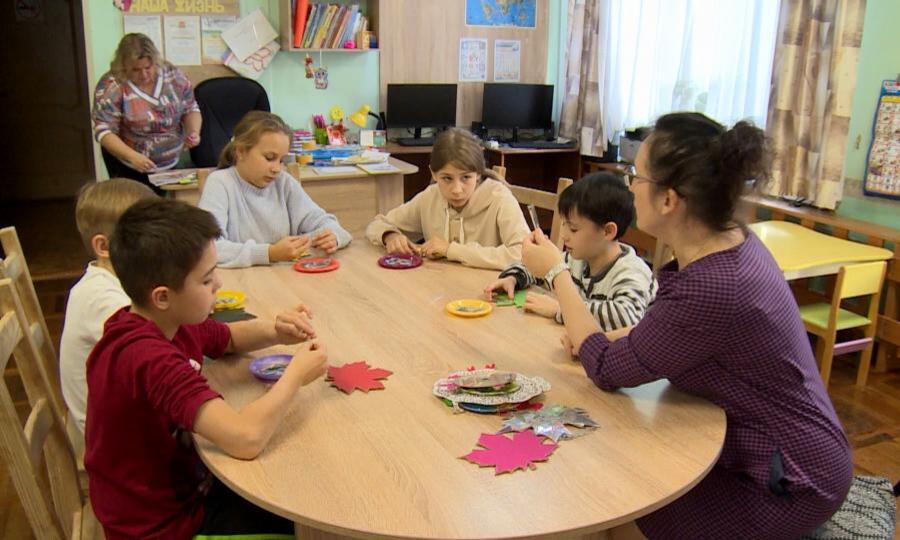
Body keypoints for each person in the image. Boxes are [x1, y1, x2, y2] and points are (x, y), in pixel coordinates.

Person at [520, 112, 852, 539]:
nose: (628, 188)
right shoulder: (732, 245)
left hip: (789, 480)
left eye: (634, 177)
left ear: (668, 200)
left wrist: (556, 273)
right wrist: (612, 337)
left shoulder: (715, 286)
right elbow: (673, 334)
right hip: (783, 452)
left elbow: (604, 368)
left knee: (615, 511)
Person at [84, 198, 326, 539]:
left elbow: (224, 338)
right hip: (164, 527)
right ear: (163, 296)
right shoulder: (148, 357)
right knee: (305, 517)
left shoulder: (160, 320)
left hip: (183, 492)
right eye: (207, 279)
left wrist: (275, 330)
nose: (219, 285)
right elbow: (246, 438)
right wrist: (296, 375)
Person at [484, 172, 656, 328]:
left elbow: (625, 318)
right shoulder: (577, 259)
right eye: (564, 224)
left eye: (573, 229)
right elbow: (541, 270)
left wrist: (561, 310)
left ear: (608, 231)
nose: (564, 235)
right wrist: (513, 278)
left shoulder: (632, 272)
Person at [60, 179, 157, 434]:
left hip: (109, 418)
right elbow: (156, 360)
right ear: (103, 247)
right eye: (149, 236)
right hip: (109, 437)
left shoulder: (111, 281)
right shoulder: (105, 300)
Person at [199, 111, 351, 268]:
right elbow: (207, 247)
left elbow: (329, 224)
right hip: (241, 283)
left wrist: (333, 237)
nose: (277, 169)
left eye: (282, 160)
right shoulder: (220, 183)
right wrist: (269, 253)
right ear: (241, 151)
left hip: (284, 281)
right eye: (270, 158)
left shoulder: (284, 182)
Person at [365, 128, 529, 270]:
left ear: (478, 173)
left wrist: (451, 250)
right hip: (442, 290)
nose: (457, 190)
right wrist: (390, 236)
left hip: (488, 296)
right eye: (447, 179)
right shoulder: (430, 196)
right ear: (433, 174)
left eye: (466, 178)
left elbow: (524, 255)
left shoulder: (500, 199)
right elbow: (376, 225)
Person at [92, 33, 202, 193]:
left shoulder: (174, 76)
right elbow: (103, 131)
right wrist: (132, 157)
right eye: (136, 70)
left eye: (148, 68)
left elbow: (191, 108)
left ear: (155, 61)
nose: (144, 75)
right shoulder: (112, 85)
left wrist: (194, 132)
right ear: (123, 66)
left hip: (171, 163)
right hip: (130, 164)